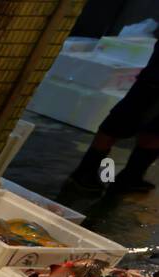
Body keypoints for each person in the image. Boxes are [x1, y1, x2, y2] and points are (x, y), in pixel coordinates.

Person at [67, 42, 159, 194]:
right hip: (154, 82)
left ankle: (132, 176)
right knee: (119, 123)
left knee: (156, 130)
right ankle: (85, 172)